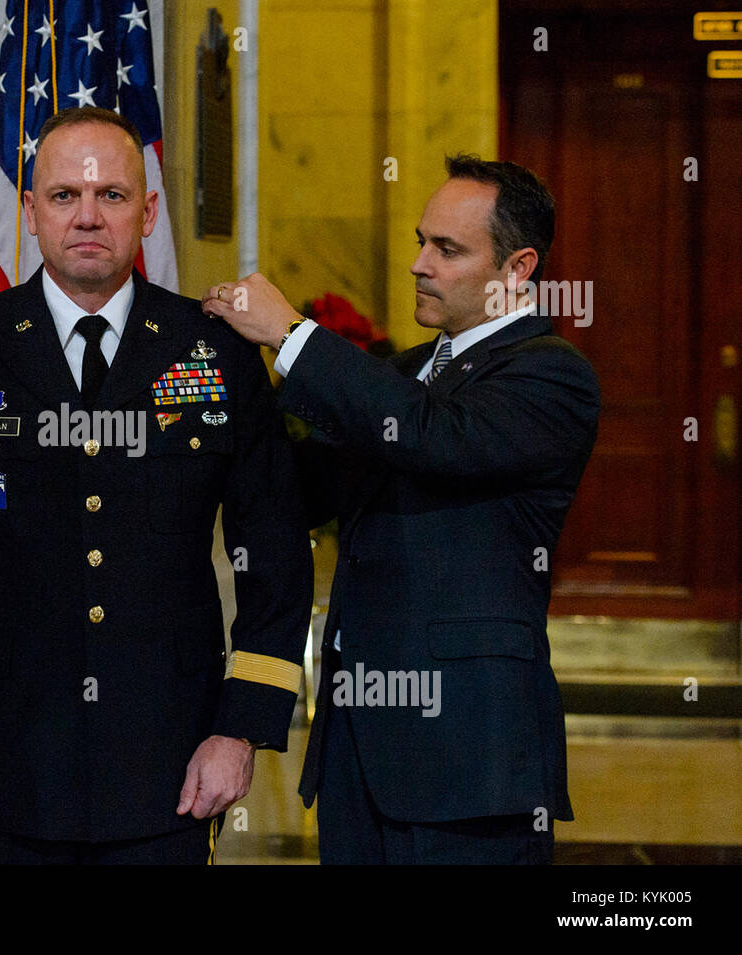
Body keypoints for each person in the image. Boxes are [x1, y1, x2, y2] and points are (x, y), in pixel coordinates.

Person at [0, 107, 313, 864]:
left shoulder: (213, 349)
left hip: (169, 760)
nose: (87, 216)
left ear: (147, 214)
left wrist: (240, 727)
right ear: (29, 211)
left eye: (112, 195)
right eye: (63, 195)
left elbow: (273, 548)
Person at [203, 155, 601, 864]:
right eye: (422, 240)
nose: (419, 263)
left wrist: (292, 334)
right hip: (359, 753)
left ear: (518, 268)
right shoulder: (404, 372)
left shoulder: (551, 373)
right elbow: (303, 492)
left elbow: (437, 438)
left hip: (468, 762)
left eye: (447, 249)